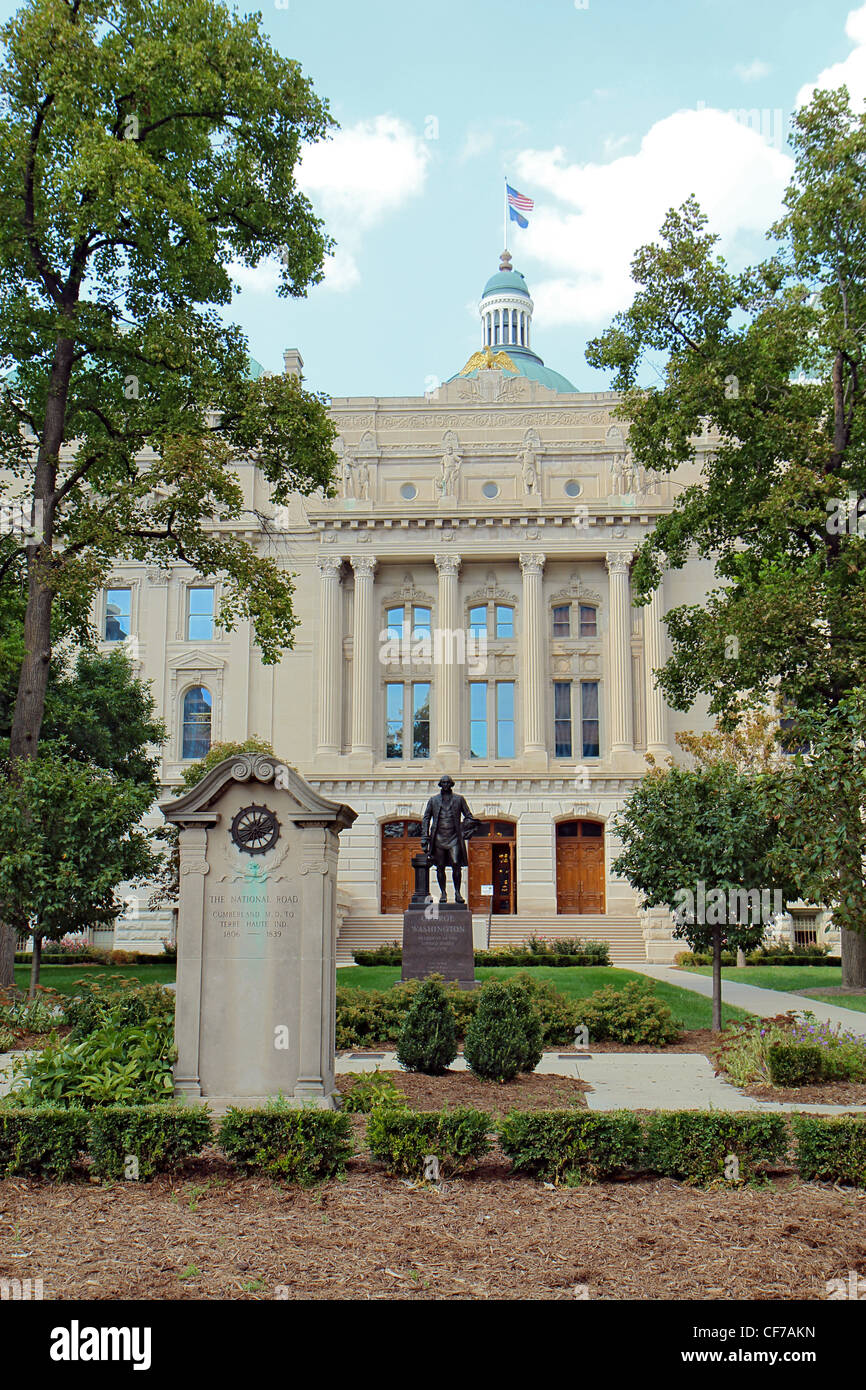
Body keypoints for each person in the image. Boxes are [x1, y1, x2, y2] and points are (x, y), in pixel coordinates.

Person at [420, 775, 479, 905]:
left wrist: (469, 827)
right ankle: (443, 893)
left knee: (456, 864)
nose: (446, 785)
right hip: (439, 837)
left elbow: (468, 816)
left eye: (448, 783)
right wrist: (425, 836)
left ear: (451, 784)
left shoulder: (459, 799)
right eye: (443, 783)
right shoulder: (433, 800)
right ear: (440, 784)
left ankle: (457, 892)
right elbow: (426, 818)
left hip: (454, 837)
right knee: (440, 867)